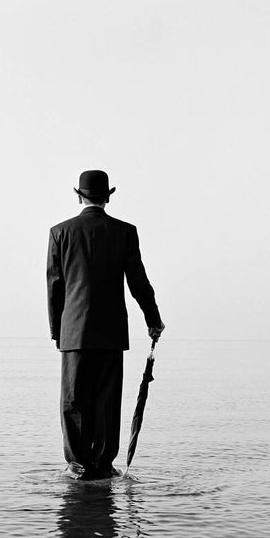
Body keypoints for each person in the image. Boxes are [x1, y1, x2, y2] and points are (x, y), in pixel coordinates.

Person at [47, 169, 165, 480]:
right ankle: (103, 463)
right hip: (112, 332)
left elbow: (55, 285)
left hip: (73, 331)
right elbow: (138, 281)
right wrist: (153, 319)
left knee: (73, 400)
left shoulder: (60, 232)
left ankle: (77, 463)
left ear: (78, 195)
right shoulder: (124, 232)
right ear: (109, 196)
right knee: (107, 401)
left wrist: (57, 331)